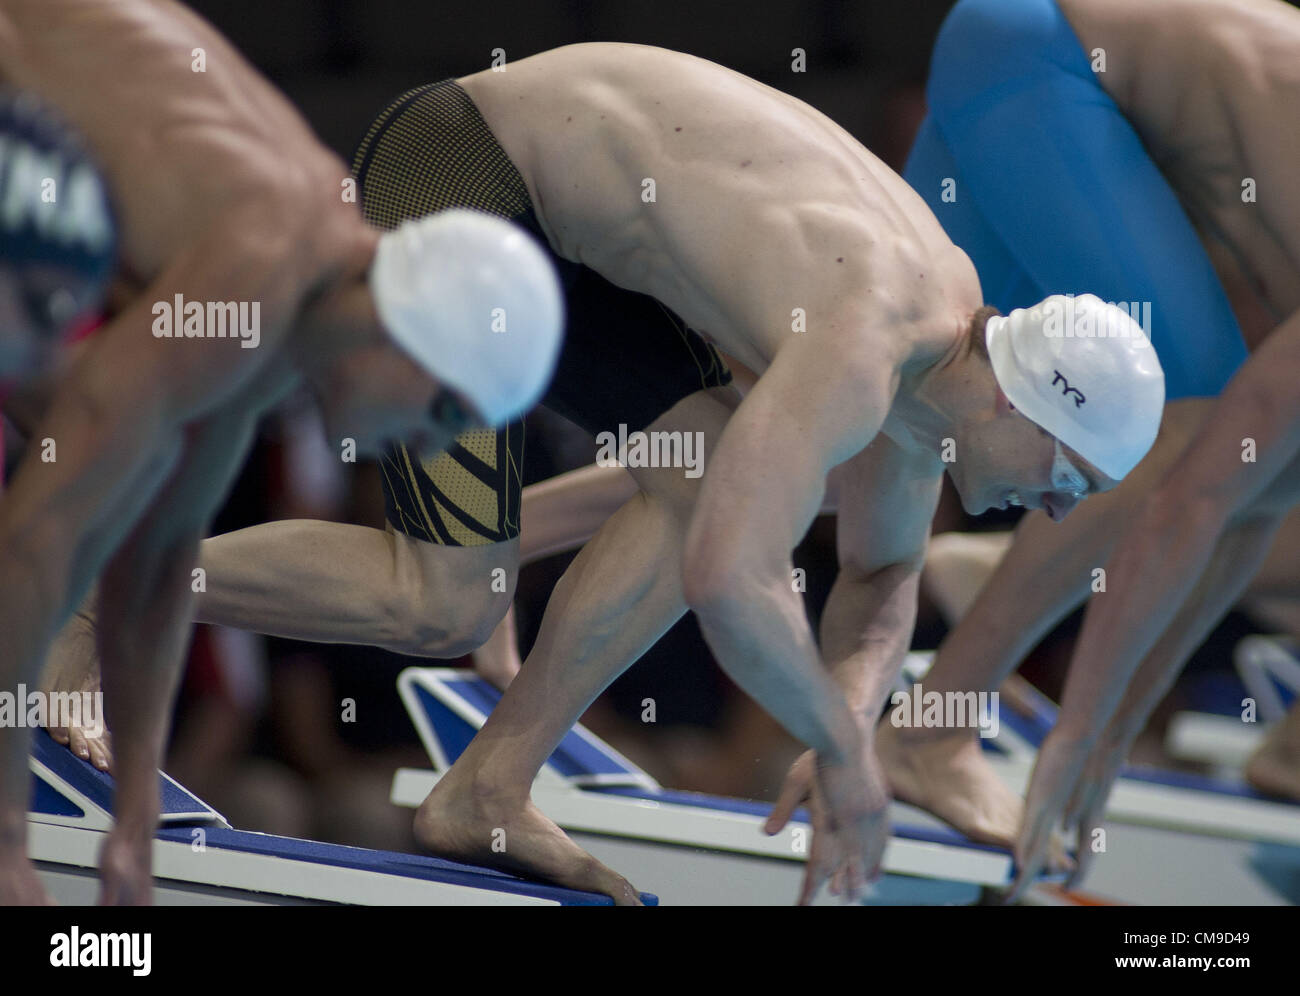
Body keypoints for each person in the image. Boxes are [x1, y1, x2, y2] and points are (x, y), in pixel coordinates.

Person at [46, 42, 1164, 904]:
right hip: (466, 164)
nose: (1058, 508)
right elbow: (735, 574)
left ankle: (488, 789)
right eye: (1068, 477)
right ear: (1026, 404)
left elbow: (877, 591)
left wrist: (851, 736)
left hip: (582, 233)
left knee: (715, 471)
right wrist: (838, 746)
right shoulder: (869, 338)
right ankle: (99, 590)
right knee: (442, 600)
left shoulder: (930, 383)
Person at [0, 0, 562, 906]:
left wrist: (132, 827)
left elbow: (160, 555)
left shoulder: (278, 322)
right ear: (403, 335)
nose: (413, 452)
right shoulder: (257, 264)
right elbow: (35, 537)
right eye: (434, 420)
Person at [872, 0, 1300, 867]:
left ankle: (523, 553)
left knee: (863, 398)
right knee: (1174, 429)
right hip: (1047, 60)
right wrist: (1083, 729)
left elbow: (1250, 510)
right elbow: (1188, 502)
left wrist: (1120, 727)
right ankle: (929, 731)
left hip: (1020, 51)